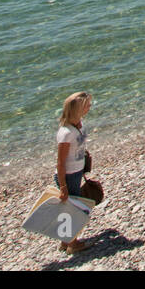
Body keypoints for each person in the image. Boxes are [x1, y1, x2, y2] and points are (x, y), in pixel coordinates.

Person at [55, 91, 94, 255]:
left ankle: (66, 242)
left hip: (77, 171)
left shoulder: (79, 124)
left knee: (72, 206)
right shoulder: (65, 133)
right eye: (86, 105)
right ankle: (73, 244)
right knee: (73, 209)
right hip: (68, 175)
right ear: (77, 109)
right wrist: (63, 186)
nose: (90, 107)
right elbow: (60, 163)